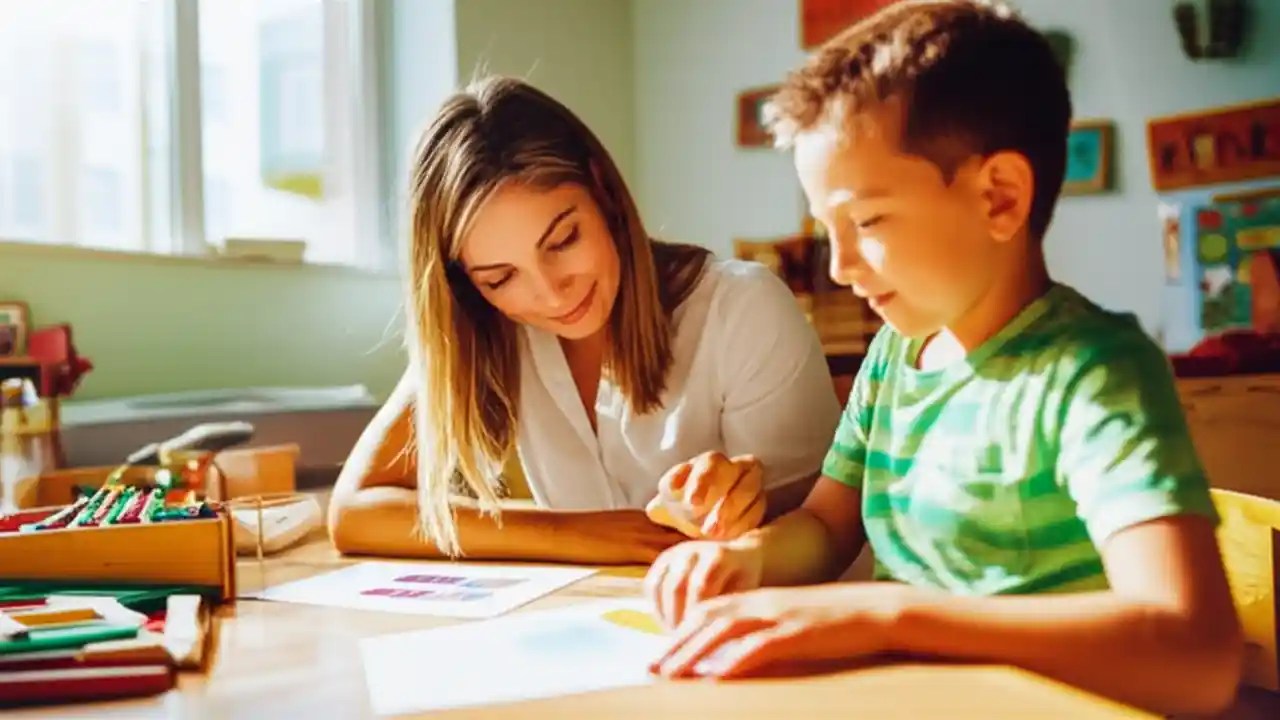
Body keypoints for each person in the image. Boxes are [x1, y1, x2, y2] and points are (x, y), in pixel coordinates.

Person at [643, 2, 1244, 715]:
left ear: (1000, 198)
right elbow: (829, 528)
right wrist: (749, 560)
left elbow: (1197, 654)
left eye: (865, 221)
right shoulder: (897, 355)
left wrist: (886, 615)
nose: (839, 267)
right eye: (827, 230)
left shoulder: (1093, 373)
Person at [327, 76, 841, 565]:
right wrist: (591, 534)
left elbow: (825, 531)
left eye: (563, 240)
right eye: (500, 277)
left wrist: (743, 504)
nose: (550, 293)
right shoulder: (487, 327)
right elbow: (356, 513)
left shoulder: (742, 310)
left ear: (603, 190)